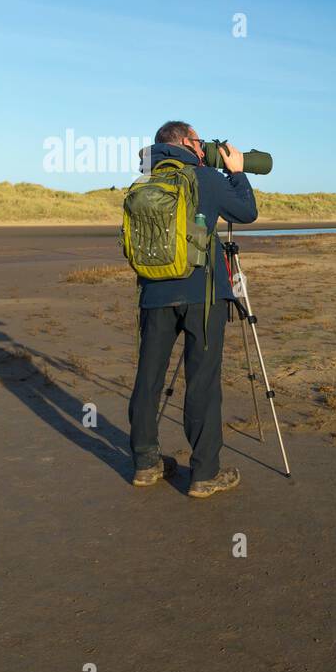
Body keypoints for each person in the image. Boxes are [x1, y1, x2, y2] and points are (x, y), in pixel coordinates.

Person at [127, 121, 258, 498]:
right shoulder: (204, 178)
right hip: (203, 294)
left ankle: (144, 464)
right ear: (186, 142)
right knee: (201, 380)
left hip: (154, 293)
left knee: (148, 378)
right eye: (199, 141)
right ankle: (203, 474)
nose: (203, 147)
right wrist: (237, 172)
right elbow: (246, 212)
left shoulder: (145, 183)